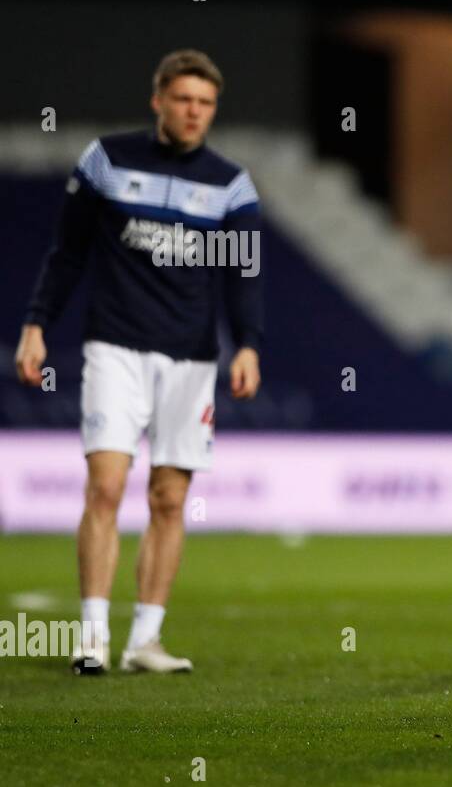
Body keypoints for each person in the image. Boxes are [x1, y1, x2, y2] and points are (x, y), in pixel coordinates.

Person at [13, 49, 264, 674]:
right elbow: (66, 251)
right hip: (115, 346)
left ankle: (144, 640)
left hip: (191, 358)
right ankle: (92, 635)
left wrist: (250, 342)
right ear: (158, 100)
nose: (194, 112)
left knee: (169, 499)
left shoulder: (229, 184)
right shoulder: (107, 160)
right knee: (105, 485)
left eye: (205, 104)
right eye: (183, 99)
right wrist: (37, 323)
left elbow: (243, 276)